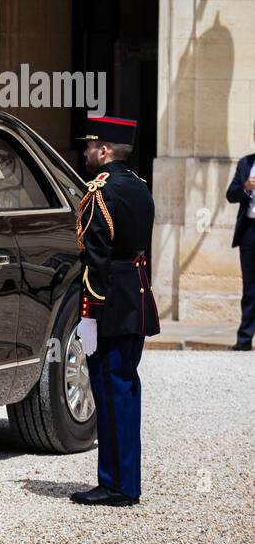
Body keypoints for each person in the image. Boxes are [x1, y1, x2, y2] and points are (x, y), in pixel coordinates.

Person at [70, 110, 160, 508]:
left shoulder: (101, 192)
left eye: (91, 145)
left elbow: (97, 259)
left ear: (105, 151)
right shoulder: (139, 187)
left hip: (109, 303)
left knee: (109, 391)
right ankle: (127, 481)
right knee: (125, 389)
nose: (87, 151)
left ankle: (115, 484)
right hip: (136, 296)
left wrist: (89, 314)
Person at [225, 124, 255, 351]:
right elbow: (231, 195)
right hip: (249, 231)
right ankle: (244, 339)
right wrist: (245, 187)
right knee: (250, 287)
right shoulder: (246, 163)